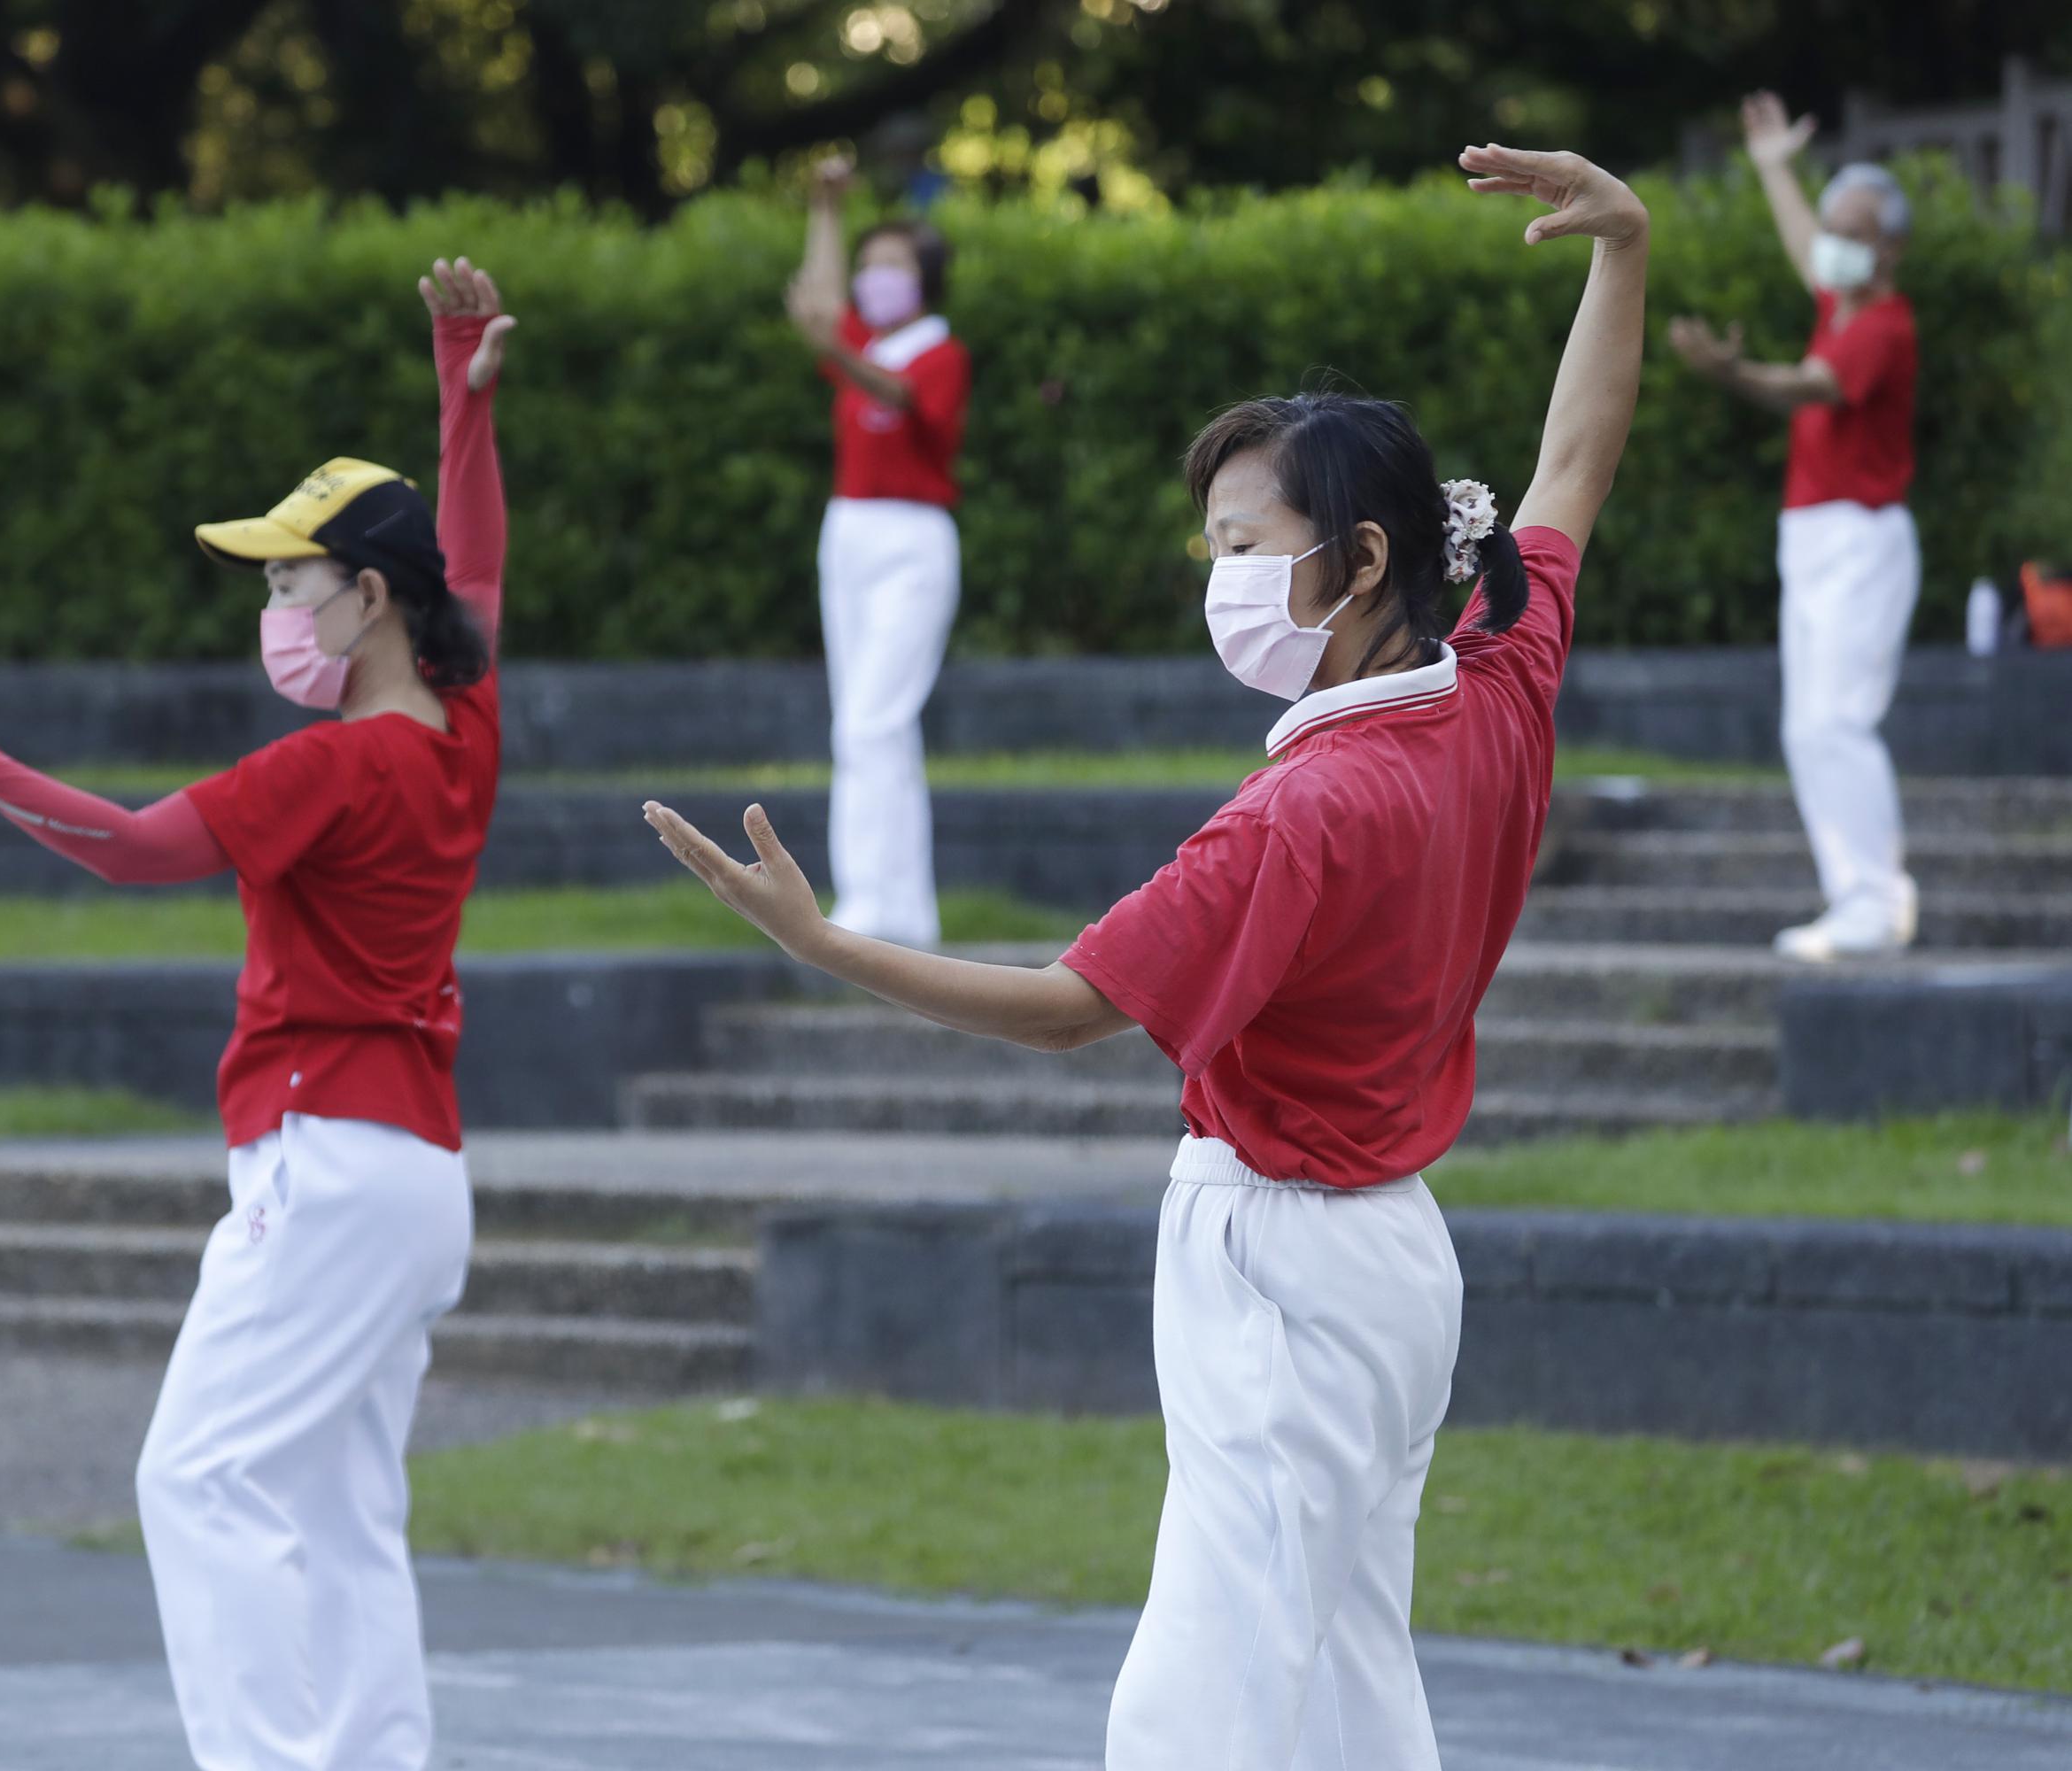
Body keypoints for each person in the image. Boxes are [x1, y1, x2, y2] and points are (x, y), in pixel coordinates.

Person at [649, 143, 1649, 1771]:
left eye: (1245, 544)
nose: (1222, 578)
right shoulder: (1497, 681)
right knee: (1341, 1677)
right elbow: (1574, 466)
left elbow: (1069, 1012)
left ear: (1368, 561)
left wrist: (827, 944)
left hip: (1282, 1251)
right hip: (1398, 1260)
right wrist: (1624, 248)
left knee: (1206, 1697)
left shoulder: (1302, 811)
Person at [0, 257, 514, 1771]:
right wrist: (462, 392)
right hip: (415, 1181)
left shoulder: (332, 766)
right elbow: (479, 571)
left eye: (289, 578)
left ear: (370, 597)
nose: (272, 605)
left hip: (325, 1163)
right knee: (343, 1510)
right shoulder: (460, 727)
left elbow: (127, 847)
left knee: (197, 1478)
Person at [1671, 93, 1921, 962]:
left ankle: (1874, 901)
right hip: (1816, 536)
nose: (1833, 240)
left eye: (1852, 229)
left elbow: (1807, 387)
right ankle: (1857, 896)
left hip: (1861, 539)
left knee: (1834, 723)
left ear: (1889, 246)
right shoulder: (1842, 302)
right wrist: (1777, 166)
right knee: (1808, 725)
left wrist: (1729, 370)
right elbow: (1803, 245)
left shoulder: (1882, 327)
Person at [787, 151, 971, 950]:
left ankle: (875, 906)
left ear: (925, 279)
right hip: (849, 531)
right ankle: (899, 910)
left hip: (913, 540)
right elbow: (824, 305)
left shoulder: (939, 352)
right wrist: (825, 210)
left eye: (891, 265)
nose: (872, 278)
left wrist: (833, 352)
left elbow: (895, 394)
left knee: (875, 720)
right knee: (862, 726)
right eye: (869, 265)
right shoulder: (870, 341)